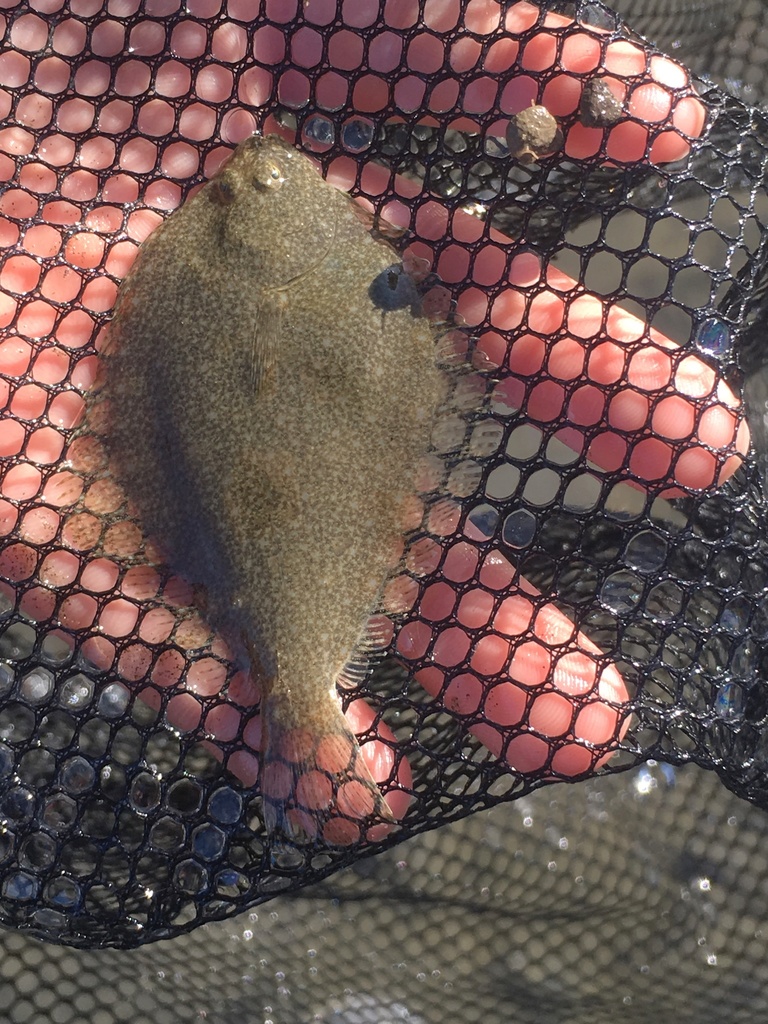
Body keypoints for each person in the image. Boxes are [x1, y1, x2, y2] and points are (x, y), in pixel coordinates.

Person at [0, 0, 749, 840]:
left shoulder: (180, 258)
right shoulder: (308, 243)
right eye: (259, 182)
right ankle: (306, 715)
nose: (257, 168)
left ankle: (299, 713)